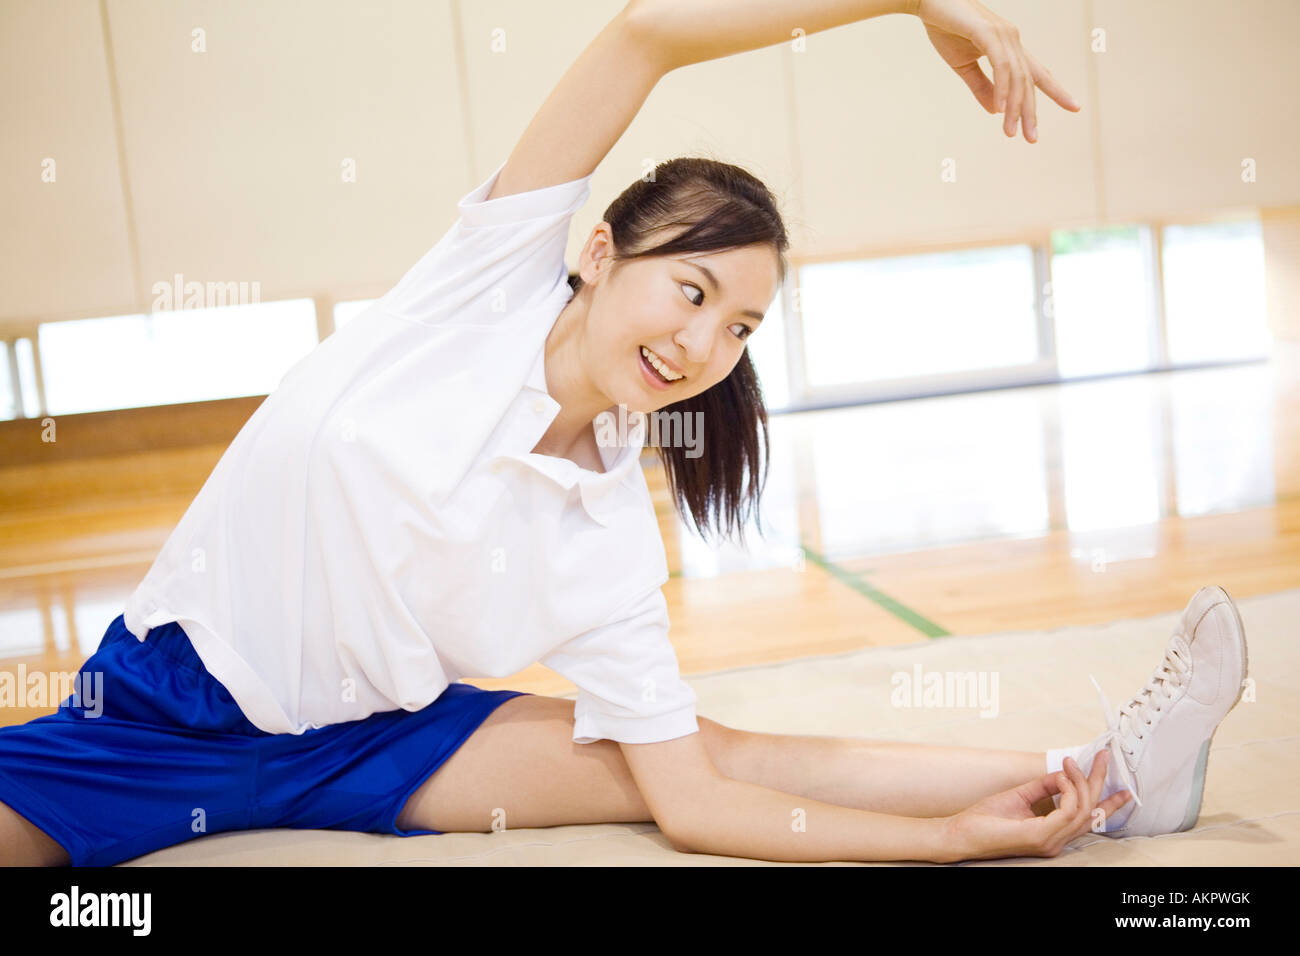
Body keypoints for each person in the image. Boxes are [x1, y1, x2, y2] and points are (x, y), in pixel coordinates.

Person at [0, 0, 1248, 867]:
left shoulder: (606, 529)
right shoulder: (479, 284)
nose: (703, 345)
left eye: (741, 329)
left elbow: (699, 800)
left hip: (380, 748)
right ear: (596, 254)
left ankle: (1107, 779)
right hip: (156, 712)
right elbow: (645, 33)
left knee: (703, 748)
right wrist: (901, 4)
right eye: (690, 291)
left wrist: (951, 844)